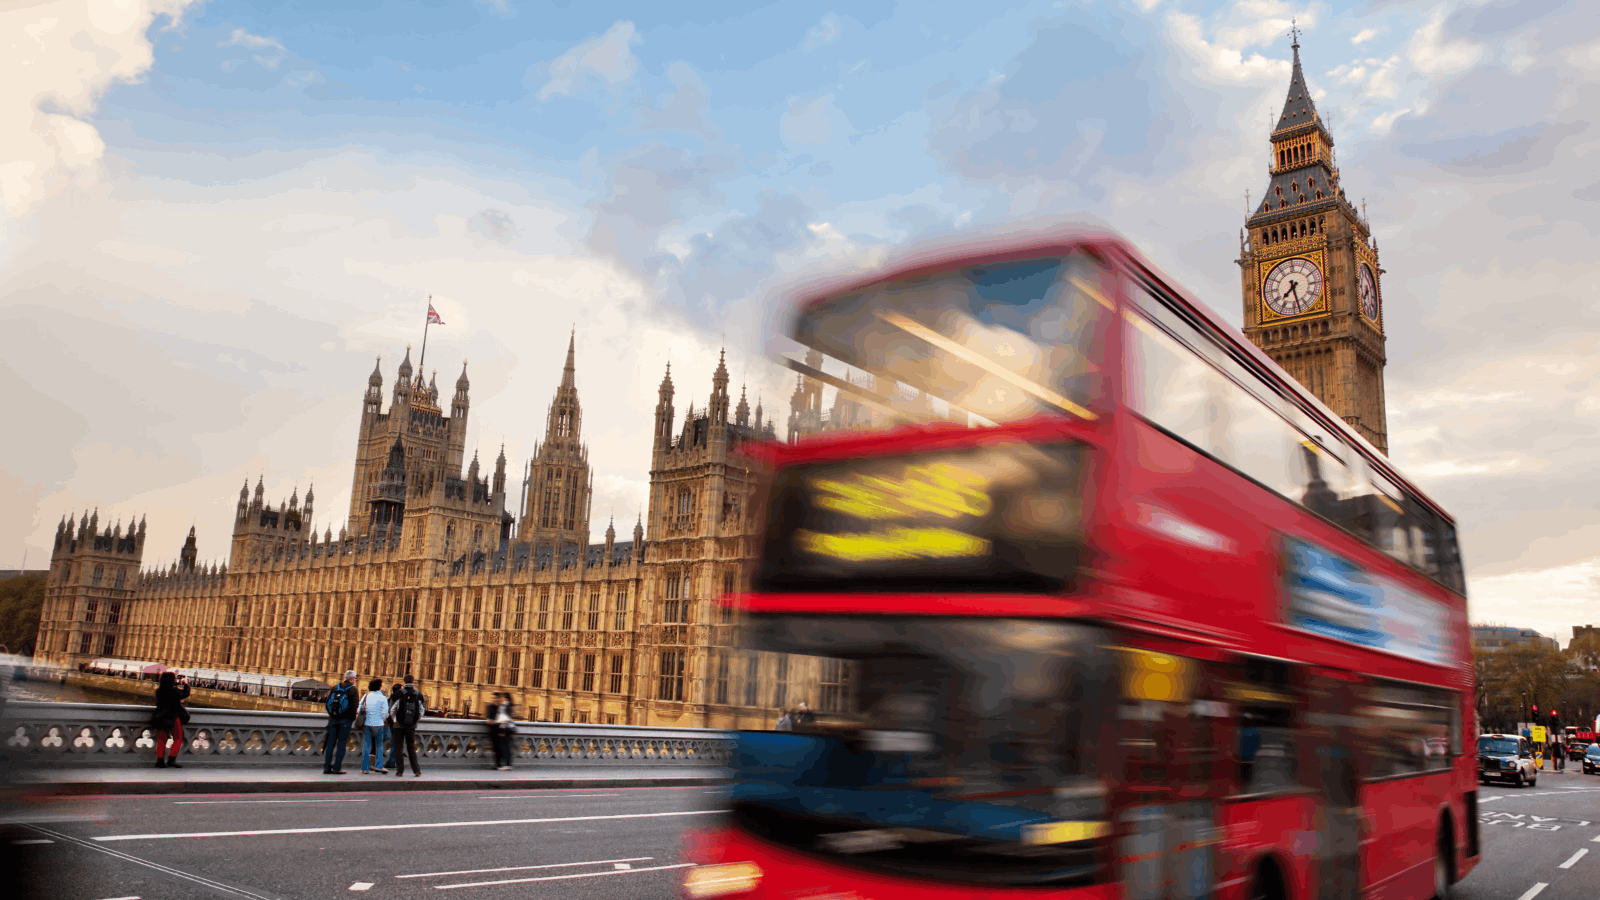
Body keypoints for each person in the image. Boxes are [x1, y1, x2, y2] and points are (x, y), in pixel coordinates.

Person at [151, 671, 191, 769]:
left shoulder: (159, 691)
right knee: (178, 738)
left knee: (161, 740)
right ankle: (171, 760)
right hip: (172, 718)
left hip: (160, 717)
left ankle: (160, 762)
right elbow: (185, 693)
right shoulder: (174, 691)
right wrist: (185, 684)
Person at [323, 670, 359, 775]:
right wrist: (350, 719)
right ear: (352, 679)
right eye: (355, 678)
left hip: (332, 719)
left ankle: (326, 767)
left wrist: (333, 715)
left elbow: (327, 704)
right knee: (341, 744)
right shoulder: (353, 689)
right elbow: (354, 707)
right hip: (345, 721)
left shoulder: (335, 687)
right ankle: (337, 768)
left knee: (330, 744)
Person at [390, 674, 426, 777]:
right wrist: (415, 720)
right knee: (411, 747)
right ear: (413, 681)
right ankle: (416, 770)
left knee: (398, 747)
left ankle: (400, 771)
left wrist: (395, 720)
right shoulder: (418, 694)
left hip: (398, 725)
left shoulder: (398, 693)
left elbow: (392, 710)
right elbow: (422, 710)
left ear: (404, 681)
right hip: (411, 725)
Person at [357, 678, 390, 774]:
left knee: (366, 745)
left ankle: (364, 768)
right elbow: (385, 713)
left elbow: (359, 709)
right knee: (379, 745)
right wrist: (381, 719)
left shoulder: (366, 696)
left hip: (367, 723)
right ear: (379, 687)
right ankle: (379, 766)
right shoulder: (383, 698)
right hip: (378, 724)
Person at [492, 693, 517, 770]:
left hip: (505, 729)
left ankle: (507, 764)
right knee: (504, 746)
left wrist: (502, 730)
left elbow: (505, 719)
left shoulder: (507, 706)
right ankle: (504, 764)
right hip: (503, 728)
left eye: (502, 697)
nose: (501, 699)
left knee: (505, 747)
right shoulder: (503, 705)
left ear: (506, 698)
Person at [383, 681, 403, 771]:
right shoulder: (399, 699)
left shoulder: (389, 699)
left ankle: (390, 761)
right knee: (396, 744)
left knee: (393, 743)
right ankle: (391, 762)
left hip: (390, 724)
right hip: (397, 724)